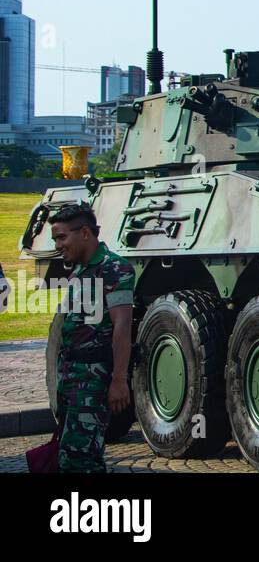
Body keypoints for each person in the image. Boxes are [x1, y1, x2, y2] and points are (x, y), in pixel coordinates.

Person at [48, 202, 134, 472]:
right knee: (69, 454)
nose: (58, 245)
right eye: (55, 239)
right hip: (70, 380)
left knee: (82, 460)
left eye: (62, 237)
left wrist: (119, 380)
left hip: (91, 383)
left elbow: (123, 326)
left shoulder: (114, 268)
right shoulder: (78, 271)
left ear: (85, 233)